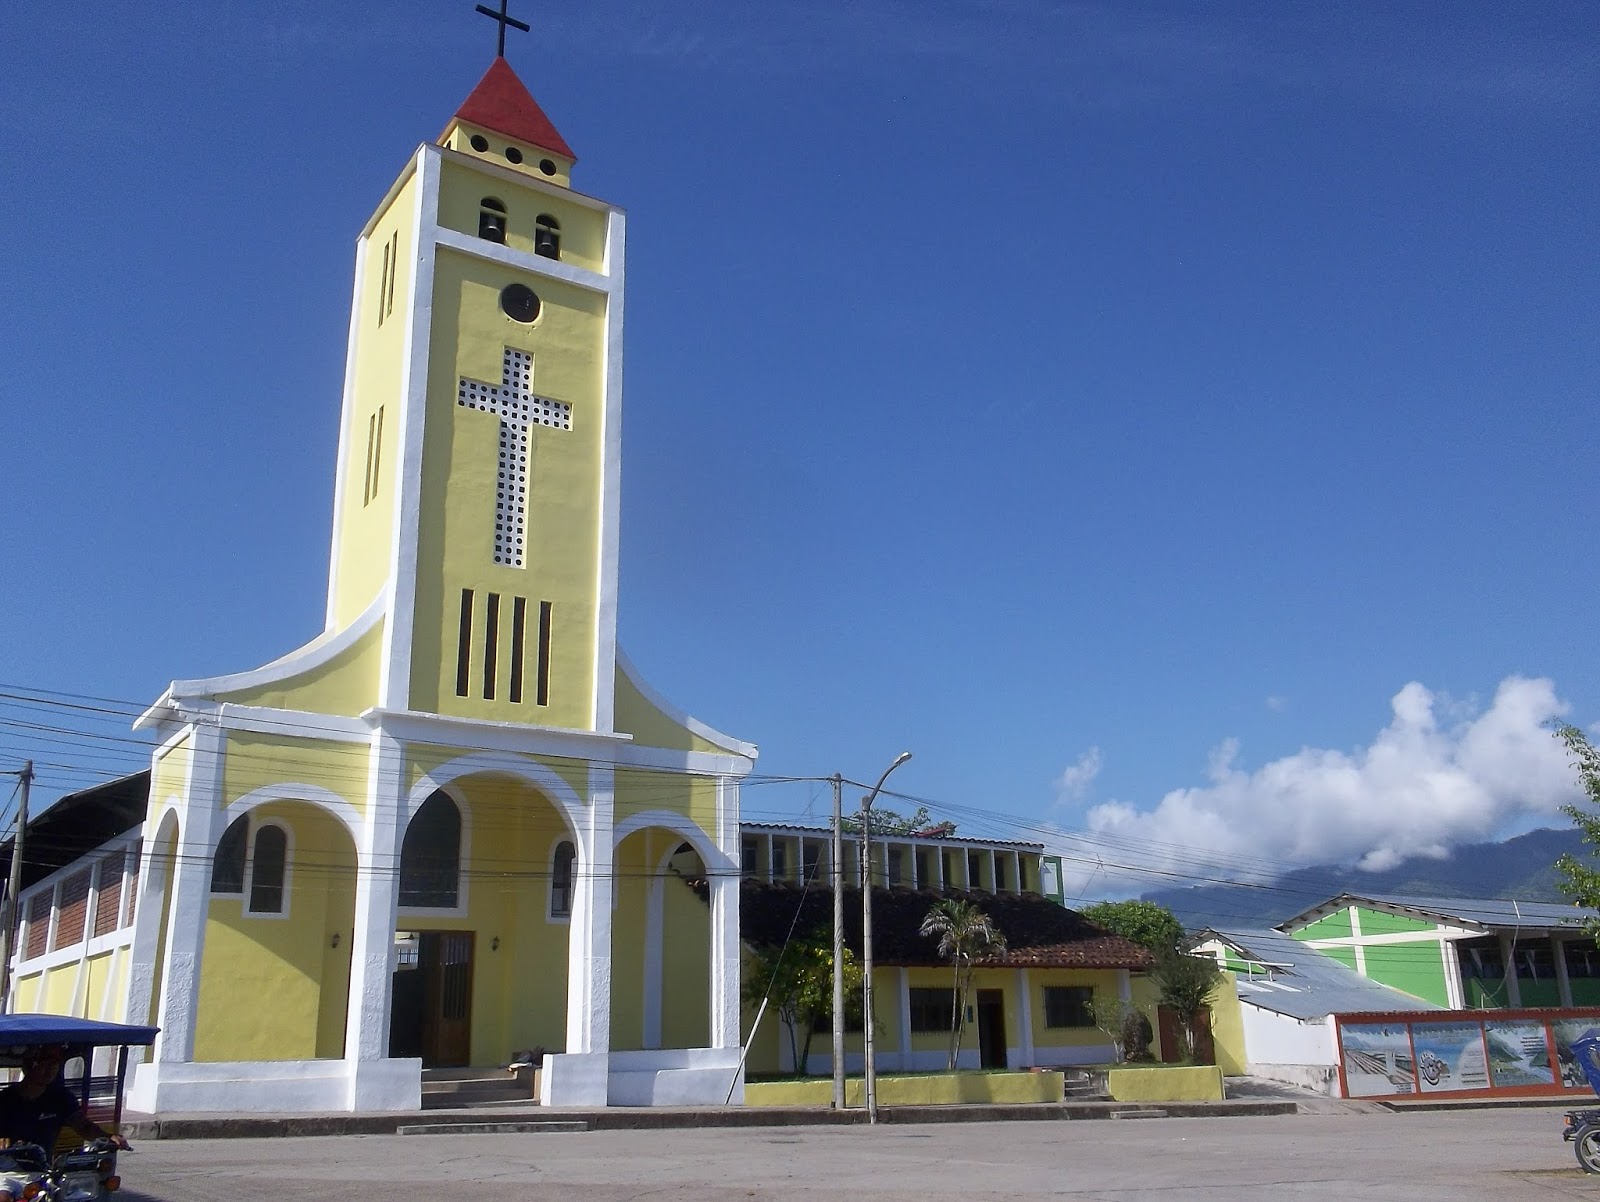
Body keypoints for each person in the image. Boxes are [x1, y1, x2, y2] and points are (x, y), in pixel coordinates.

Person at [0, 1046, 129, 1153]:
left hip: (44, 1169)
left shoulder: (61, 1098)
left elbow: (83, 1126)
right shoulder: (5, 1099)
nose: (50, 1069)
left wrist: (108, 1137)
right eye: (43, 1063)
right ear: (27, 1066)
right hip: (7, 1170)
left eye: (55, 1063)